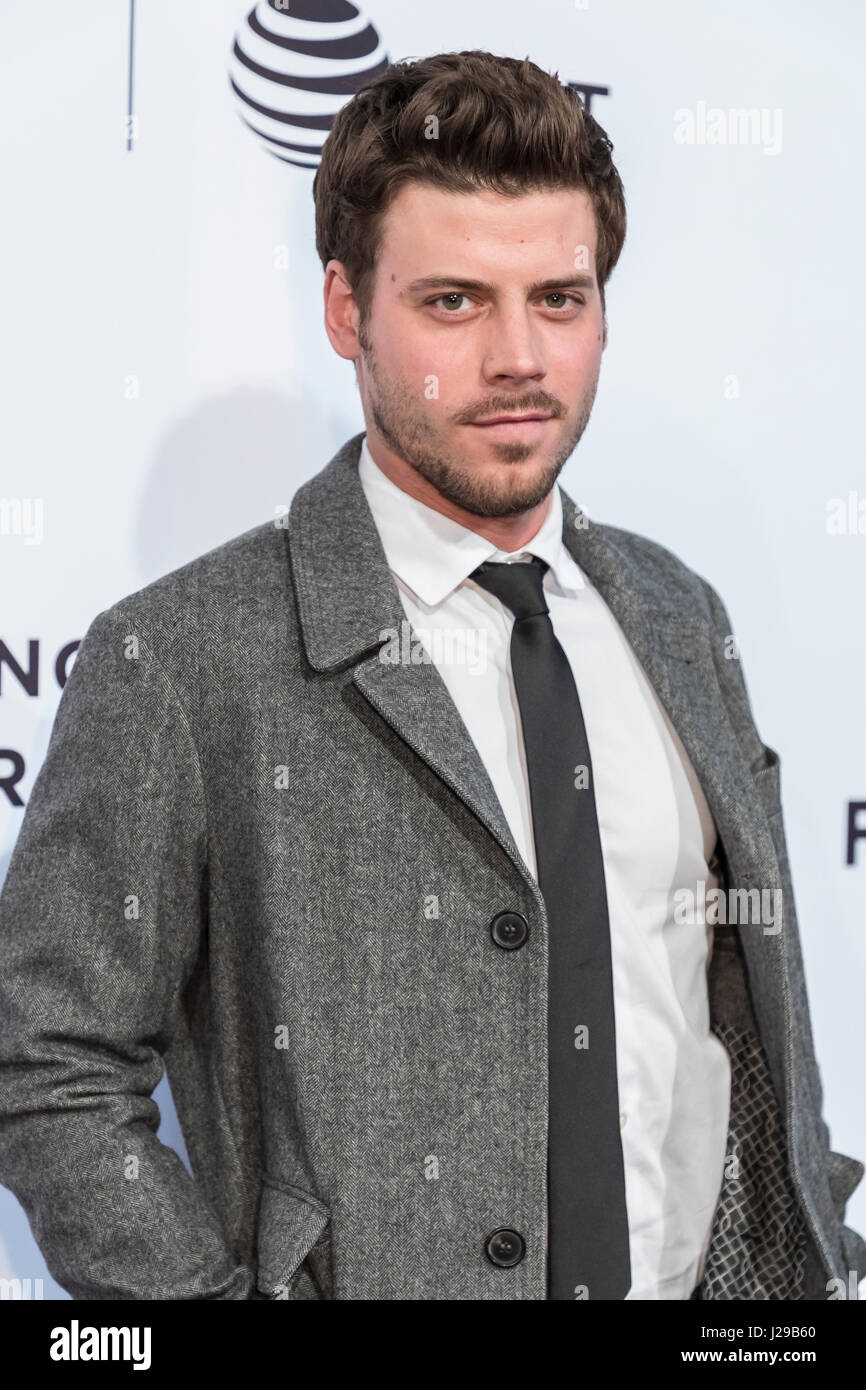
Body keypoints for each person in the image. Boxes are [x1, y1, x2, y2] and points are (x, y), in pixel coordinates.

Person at [0, 49, 862, 1301]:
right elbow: (48, 1060)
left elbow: (730, 1003)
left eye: (558, 299)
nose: (519, 357)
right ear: (347, 310)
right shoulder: (181, 658)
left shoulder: (677, 613)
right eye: (454, 302)